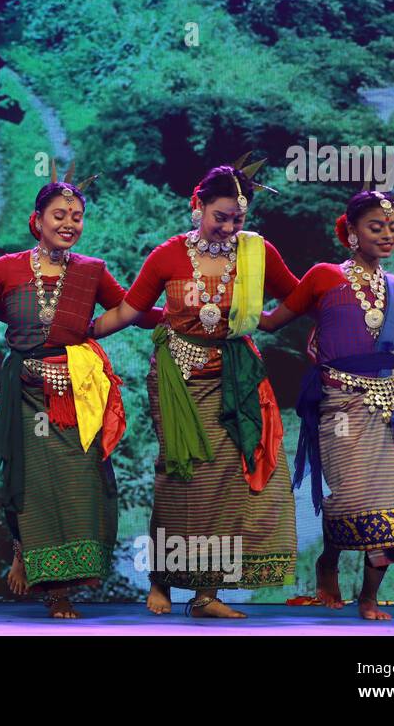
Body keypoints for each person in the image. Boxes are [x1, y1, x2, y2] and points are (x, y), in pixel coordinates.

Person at [0, 166, 159, 618]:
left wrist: (172, 311)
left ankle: (68, 576)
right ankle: (53, 587)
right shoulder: (6, 269)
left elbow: (129, 308)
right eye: (59, 215)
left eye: (76, 216)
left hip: (76, 396)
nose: (69, 224)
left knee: (82, 485)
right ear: (37, 220)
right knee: (33, 487)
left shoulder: (91, 271)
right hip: (26, 395)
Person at [93, 158, 299, 618]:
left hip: (236, 377)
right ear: (197, 205)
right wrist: (78, 333)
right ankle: (162, 580)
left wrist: (269, 320)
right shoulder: (167, 255)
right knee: (180, 476)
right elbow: (126, 311)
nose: (228, 227)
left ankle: (207, 594)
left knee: (229, 482)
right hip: (177, 379)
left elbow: (298, 295)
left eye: (237, 219)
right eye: (219, 216)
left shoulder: (256, 252)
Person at [261, 190, 394, 620]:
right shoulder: (322, 277)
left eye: (392, 228)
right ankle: (328, 562)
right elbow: (272, 321)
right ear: (351, 233)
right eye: (376, 227)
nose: (387, 235)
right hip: (338, 405)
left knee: (392, 499)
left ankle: (369, 597)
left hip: (391, 407)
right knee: (350, 497)